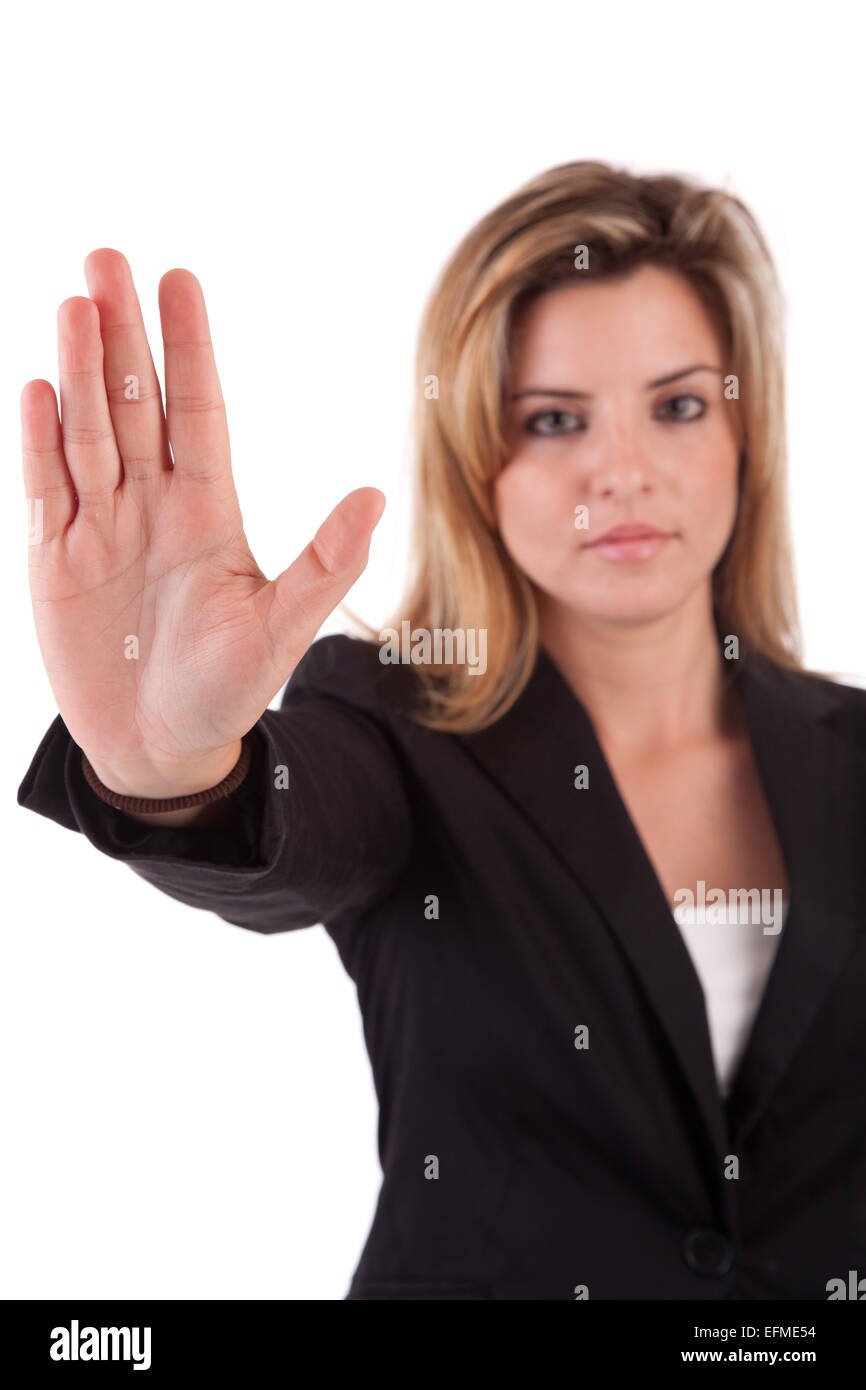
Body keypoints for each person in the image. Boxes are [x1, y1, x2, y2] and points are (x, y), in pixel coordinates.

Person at [18, 160, 866, 1301]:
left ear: (740, 434)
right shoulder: (393, 731)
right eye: (553, 420)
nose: (620, 472)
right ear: (478, 462)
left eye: (675, 405)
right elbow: (286, 825)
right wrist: (164, 764)